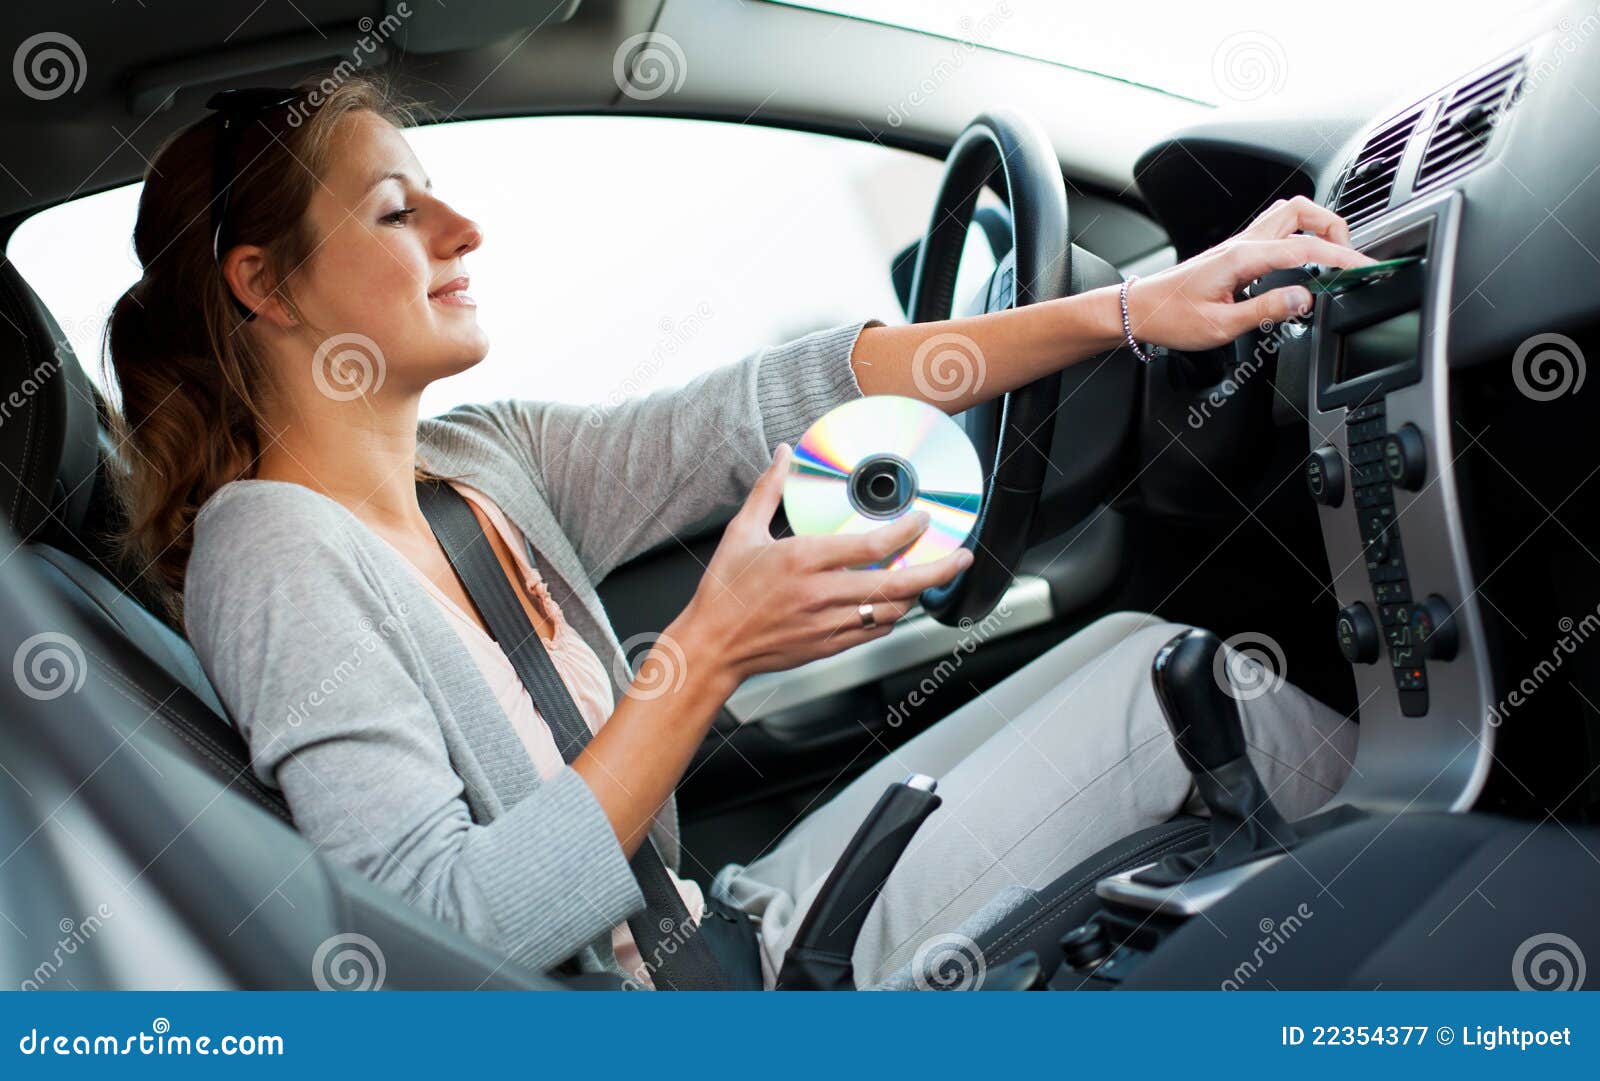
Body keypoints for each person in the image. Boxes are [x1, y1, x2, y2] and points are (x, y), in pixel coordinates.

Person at [104, 76, 1366, 989]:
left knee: (1157, 658)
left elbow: (788, 394)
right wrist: (708, 652)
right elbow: (438, 942)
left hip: (719, 946)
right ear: (263, 283)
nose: (462, 233)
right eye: (396, 212)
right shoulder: (271, 550)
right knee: (1217, 713)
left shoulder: (477, 461)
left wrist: (1135, 309)